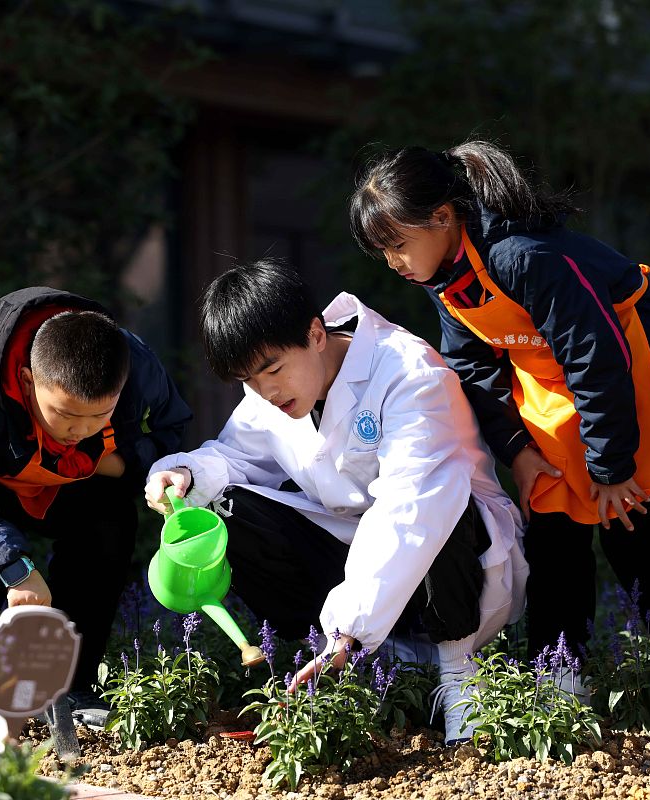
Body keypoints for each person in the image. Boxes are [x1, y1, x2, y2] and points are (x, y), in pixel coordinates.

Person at [348, 141, 650, 670]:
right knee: (553, 518)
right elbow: (470, 368)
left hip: (630, 360)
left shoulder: (523, 256)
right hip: (548, 374)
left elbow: (593, 354)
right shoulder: (443, 274)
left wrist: (610, 466)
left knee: (630, 515)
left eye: (397, 243)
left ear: (443, 217)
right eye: (382, 250)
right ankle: (559, 674)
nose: (392, 262)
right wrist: (515, 448)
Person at [144, 259, 528, 744]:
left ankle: (457, 675)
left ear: (316, 333)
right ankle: (370, 662)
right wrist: (183, 474)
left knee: (438, 498)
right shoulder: (272, 391)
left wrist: (349, 626)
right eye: (249, 379)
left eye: (273, 369)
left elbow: (409, 509)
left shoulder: (408, 373)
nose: (266, 391)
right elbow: (234, 457)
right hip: (356, 563)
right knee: (225, 503)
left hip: (457, 570)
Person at [0, 287, 192, 726]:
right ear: (29, 381)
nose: (80, 430)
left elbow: (170, 429)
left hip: (75, 471)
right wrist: (15, 569)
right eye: (66, 415)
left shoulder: (134, 365)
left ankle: (72, 684)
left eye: (98, 416)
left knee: (110, 524)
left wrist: (116, 462)